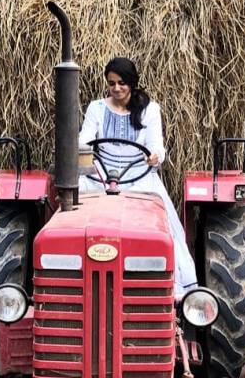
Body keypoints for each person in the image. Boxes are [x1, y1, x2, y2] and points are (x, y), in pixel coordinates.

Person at [78, 56, 199, 298]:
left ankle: (168, 284)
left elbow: (158, 148)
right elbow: (84, 140)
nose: (116, 88)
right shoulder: (97, 108)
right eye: (111, 83)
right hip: (103, 174)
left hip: (138, 173)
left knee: (161, 217)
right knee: (79, 200)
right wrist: (85, 152)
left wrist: (155, 157)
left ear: (131, 83)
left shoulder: (149, 110)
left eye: (122, 83)